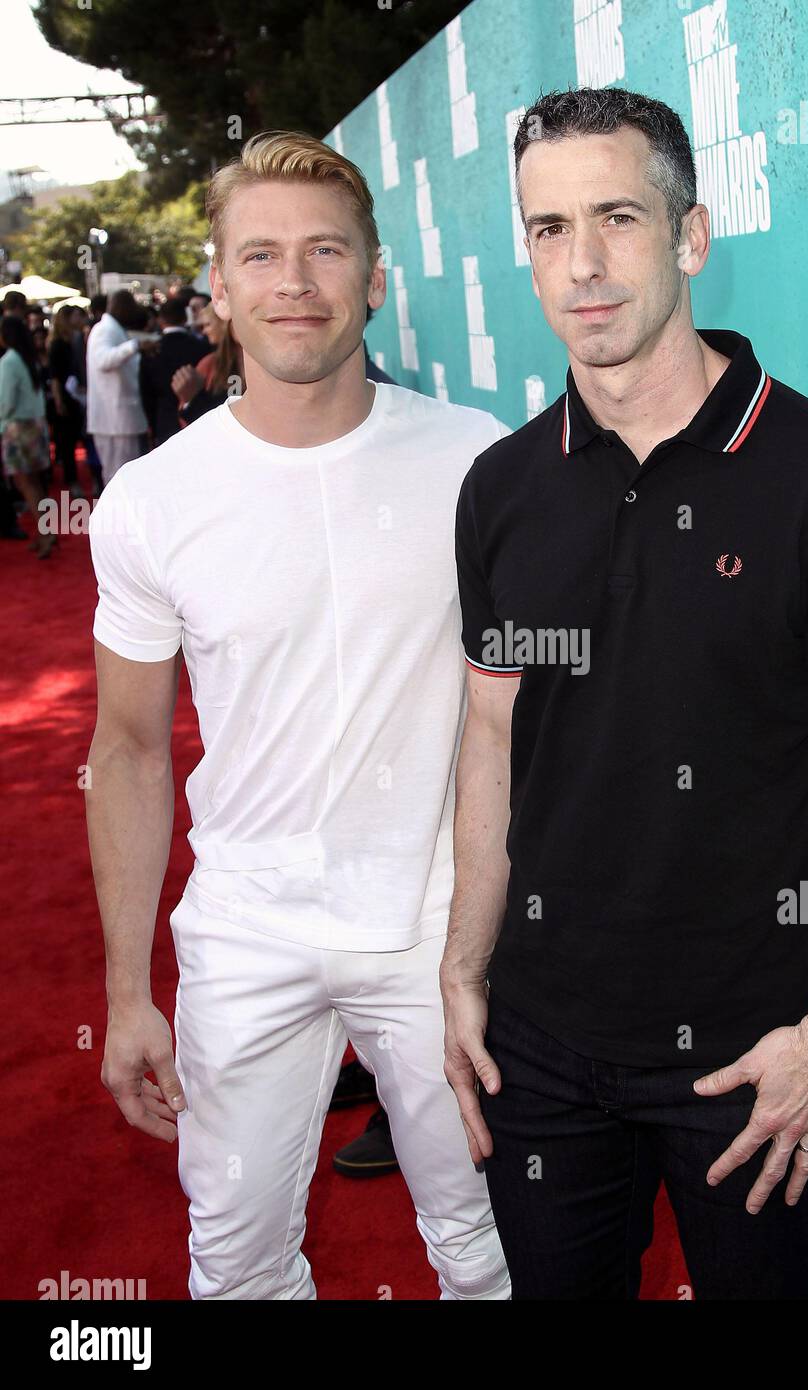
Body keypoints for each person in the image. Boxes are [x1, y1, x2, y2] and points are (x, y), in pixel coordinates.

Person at [441, 86, 808, 1300]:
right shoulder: (502, 488)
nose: (583, 264)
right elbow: (493, 733)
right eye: (549, 229)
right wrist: (463, 969)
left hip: (752, 1054)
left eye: (617, 216)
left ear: (691, 234)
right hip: (542, 1045)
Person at [85, 128, 511, 1301]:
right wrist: (128, 994)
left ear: (375, 279)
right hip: (244, 928)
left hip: (437, 929)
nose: (296, 281)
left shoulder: (478, 463)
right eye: (261, 255)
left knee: (484, 1249)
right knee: (235, 1262)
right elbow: (124, 751)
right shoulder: (150, 502)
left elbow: (529, 720)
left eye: (327, 251)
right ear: (218, 287)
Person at [0, 314, 55, 557]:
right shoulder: (28, 357)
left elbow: (6, 401)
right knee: (35, 483)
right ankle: (46, 530)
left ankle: (46, 533)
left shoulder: (10, 360)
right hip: (35, 426)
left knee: (26, 483)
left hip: (18, 428)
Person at [85, 289, 153, 485]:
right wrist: (135, 346)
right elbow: (103, 360)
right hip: (113, 419)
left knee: (124, 476)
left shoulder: (112, 329)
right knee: (118, 478)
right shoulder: (104, 329)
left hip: (119, 418)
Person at [138, 297, 205, 443]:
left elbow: (146, 395)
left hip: (164, 421)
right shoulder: (201, 348)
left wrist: (152, 425)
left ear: (161, 320)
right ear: (184, 317)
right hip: (197, 421)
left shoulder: (152, 351)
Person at [47, 305, 88, 497]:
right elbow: (55, 376)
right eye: (77, 316)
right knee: (67, 441)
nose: (81, 319)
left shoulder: (76, 341)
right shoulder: (58, 345)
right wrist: (59, 401)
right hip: (66, 399)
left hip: (77, 397)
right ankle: (72, 480)